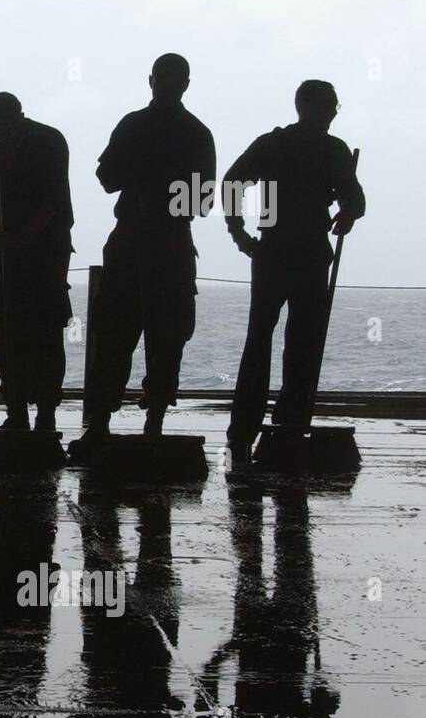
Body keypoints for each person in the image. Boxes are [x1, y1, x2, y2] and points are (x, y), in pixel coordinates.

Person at [76, 53, 215, 450]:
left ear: (151, 80)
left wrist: (146, 184)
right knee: (152, 338)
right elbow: (201, 201)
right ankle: (144, 424)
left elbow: (107, 178)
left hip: (146, 239)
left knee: (133, 337)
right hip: (163, 243)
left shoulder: (137, 125)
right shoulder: (194, 132)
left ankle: (108, 425)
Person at [223, 80, 365, 458]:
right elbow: (356, 199)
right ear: (313, 107)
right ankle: (287, 424)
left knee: (266, 340)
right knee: (300, 343)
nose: (333, 113)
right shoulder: (329, 150)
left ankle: (246, 430)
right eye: (330, 106)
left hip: (273, 252)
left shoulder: (273, 145)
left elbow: (232, 182)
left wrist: (239, 233)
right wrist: (346, 214)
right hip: (306, 254)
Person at [0, 92, 73, 433]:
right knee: (4, 326)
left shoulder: (49, 140)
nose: (0, 135)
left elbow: (53, 202)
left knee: (47, 329)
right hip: (5, 253)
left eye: (6, 129)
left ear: (21, 118)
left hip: (46, 250)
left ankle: (47, 415)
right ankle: (17, 410)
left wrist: (20, 240)